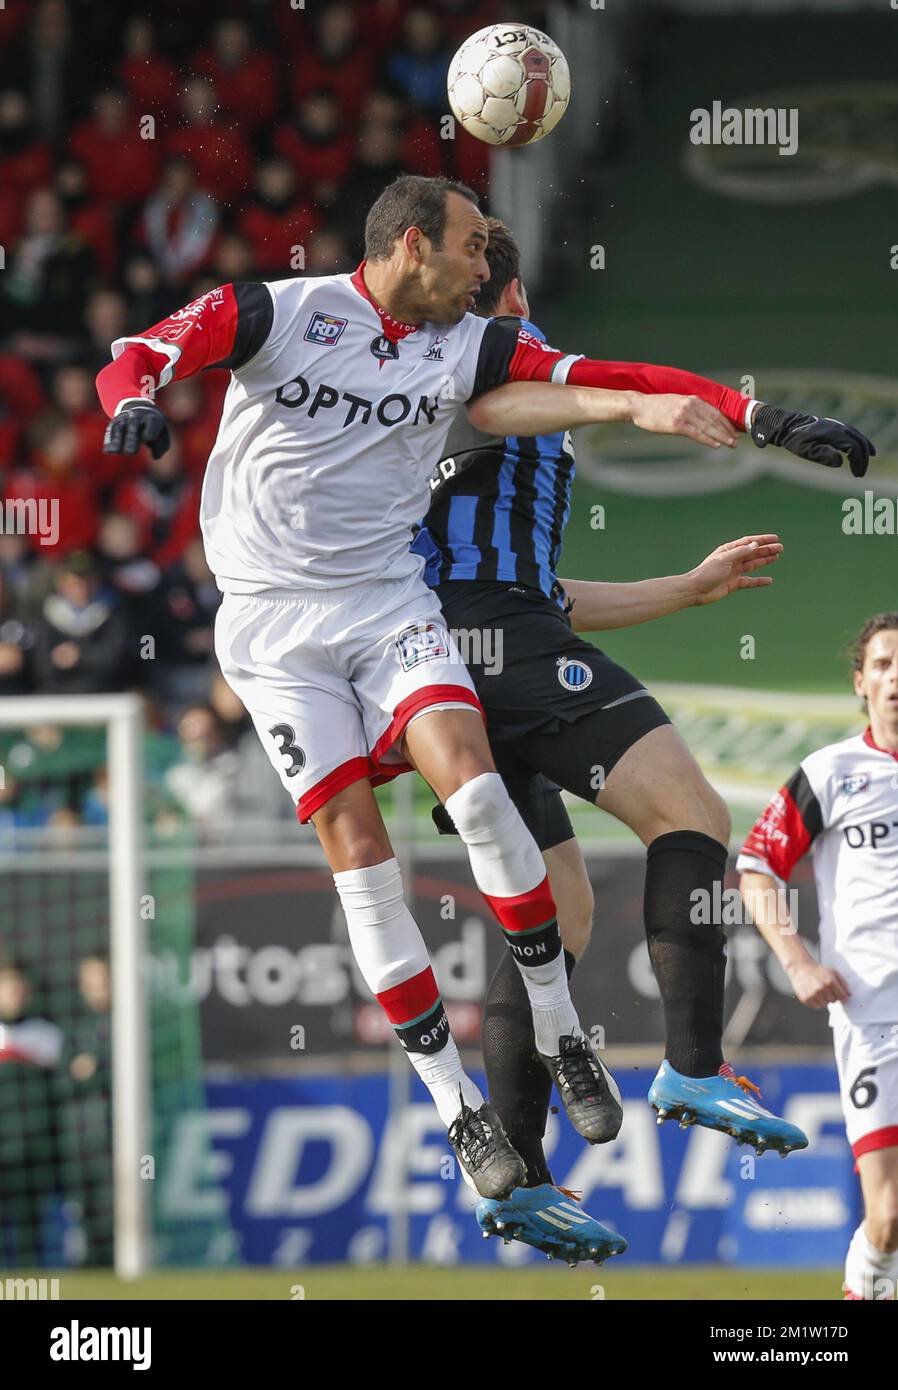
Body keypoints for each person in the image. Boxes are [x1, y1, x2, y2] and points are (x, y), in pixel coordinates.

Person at [97, 174, 872, 1200]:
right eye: (471, 248)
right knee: (362, 856)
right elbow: (143, 350)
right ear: (415, 244)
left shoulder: (465, 349)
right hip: (278, 631)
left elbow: (601, 374)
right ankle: (462, 1109)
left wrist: (750, 417)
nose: (486, 269)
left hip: (392, 604)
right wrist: (137, 402)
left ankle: (563, 1048)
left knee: (482, 802)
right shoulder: (285, 312)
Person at [414, 216, 837, 1259]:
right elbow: (558, 401)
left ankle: (518, 1176)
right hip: (488, 642)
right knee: (690, 813)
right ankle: (692, 1062)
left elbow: (548, 591)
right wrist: (690, 407)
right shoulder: (486, 378)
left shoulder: (465, 414)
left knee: (556, 906)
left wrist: (685, 589)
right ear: (504, 301)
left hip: (459, 649)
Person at [738, 615, 898, 1301]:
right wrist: (798, 961)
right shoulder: (832, 773)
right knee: (887, 1220)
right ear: (861, 682)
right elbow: (754, 868)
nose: (897, 678)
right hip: (874, 1021)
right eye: (885, 664)